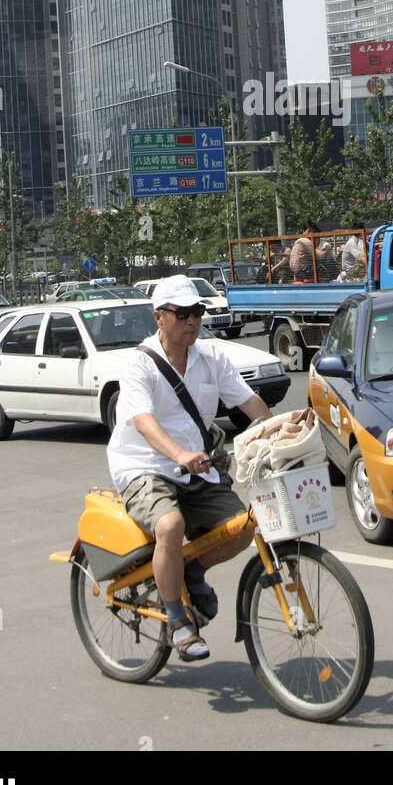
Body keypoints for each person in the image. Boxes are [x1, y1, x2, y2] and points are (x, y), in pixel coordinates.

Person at [107, 275, 273, 663]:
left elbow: (250, 405)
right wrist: (180, 454)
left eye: (197, 312)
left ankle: (191, 571)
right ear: (159, 317)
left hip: (197, 468)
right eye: (181, 314)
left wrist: (280, 432)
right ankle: (177, 619)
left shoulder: (211, 358)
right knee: (170, 526)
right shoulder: (139, 364)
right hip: (145, 466)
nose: (192, 321)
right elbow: (143, 421)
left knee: (244, 526)